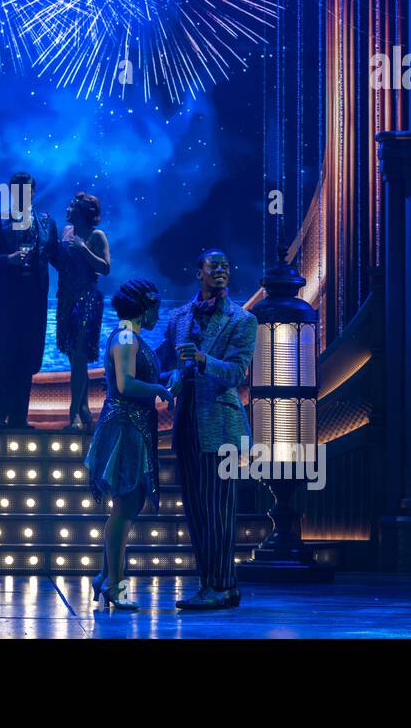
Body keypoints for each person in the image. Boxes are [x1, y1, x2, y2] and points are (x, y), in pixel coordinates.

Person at [156, 248, 257, 610]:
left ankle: (224, 585)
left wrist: (202, 360)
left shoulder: (242, 320)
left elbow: (236, 373)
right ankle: (208, 584)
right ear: (198, 271)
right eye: (214, 266)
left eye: (226, 266)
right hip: (187, 422)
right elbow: (166, 363)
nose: (221, 271)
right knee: (197, 510)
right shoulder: (179, 317)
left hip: (221, 425)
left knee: (219, 510)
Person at [84, 279, 173, 610]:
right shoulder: (124, 337)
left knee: (129, 505)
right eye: (155, 308)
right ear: (144, 308)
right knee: (124, 506)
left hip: (135, 425)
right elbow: (125, 384)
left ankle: (106, 576)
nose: (157, 314)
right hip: (125, 427)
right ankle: (115, 585)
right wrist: (159, 390)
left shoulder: (131, 337)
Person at [0, 172, 57, 429]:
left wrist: (84, 266)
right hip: (6, 301)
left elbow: (56, 256)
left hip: (35, 302)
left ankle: (20, 417)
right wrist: (8, 259)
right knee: (3, 355)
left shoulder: (46, 222)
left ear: (33, 192)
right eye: (17, 190)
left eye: (27, 190)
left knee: (27, 356)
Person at [54, 192, 110, 431]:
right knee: (74, 359)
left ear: (83, 212)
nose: (68, 209)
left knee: (79, 357)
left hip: (86, 300)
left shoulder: (97, 235)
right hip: (66, 298)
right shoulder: (67, 231)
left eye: (73, 206)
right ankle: (85, 407)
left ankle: (74, 413)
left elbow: (105, 268)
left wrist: (83, 248)